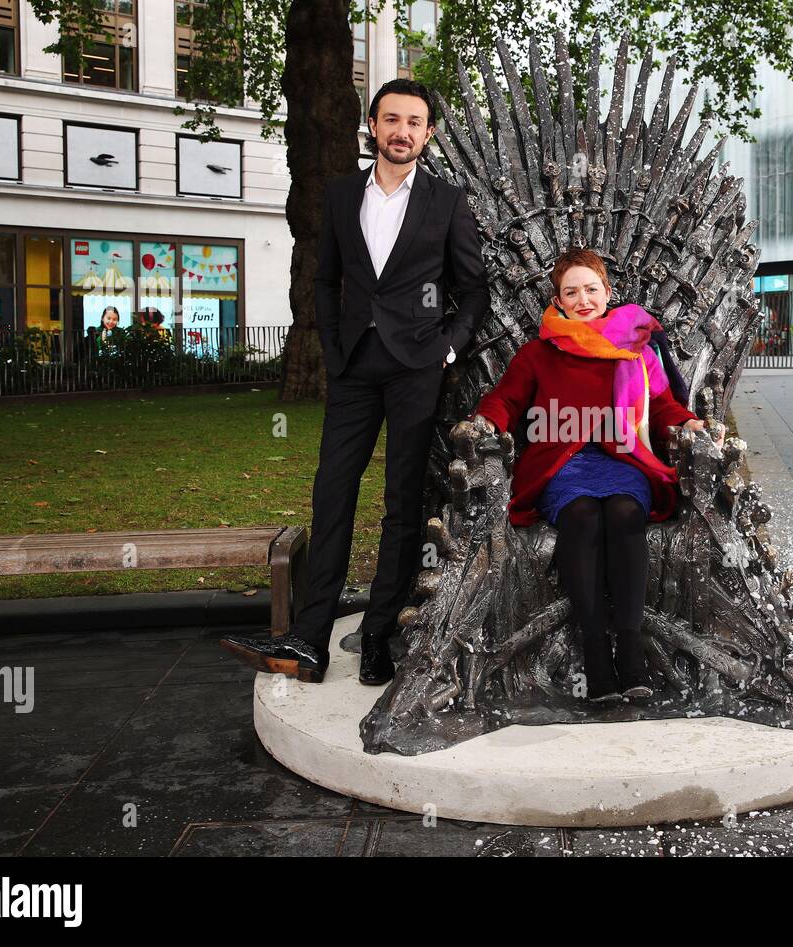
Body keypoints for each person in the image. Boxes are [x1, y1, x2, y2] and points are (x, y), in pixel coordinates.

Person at [220, 78, 490, 685]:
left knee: (402, 505)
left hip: (417, 368)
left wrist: (448, 349)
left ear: (429, 133)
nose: (402, 131)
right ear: (372, 125)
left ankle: (379, 635)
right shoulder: (341, 195)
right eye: (391, 119)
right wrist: (332, 343)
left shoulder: (447, 202)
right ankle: (310, 640)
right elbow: (323, 278)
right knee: (332, 494)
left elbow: (473, 289)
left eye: (415, 122)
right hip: (354, 370)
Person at [470, 248, 721, 703]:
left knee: (625, 513)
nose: (582, 299)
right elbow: (506, 400)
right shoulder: (538, 353)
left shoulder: (635, 349)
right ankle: (595, 656)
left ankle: (629, 650)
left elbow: (660, 405)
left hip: (624, 457)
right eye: (571, 292)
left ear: (607, 292)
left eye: (591, 289)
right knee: (582, 515)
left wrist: (687, 423)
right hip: (562, 460)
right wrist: (487, 420)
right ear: (558, 300)